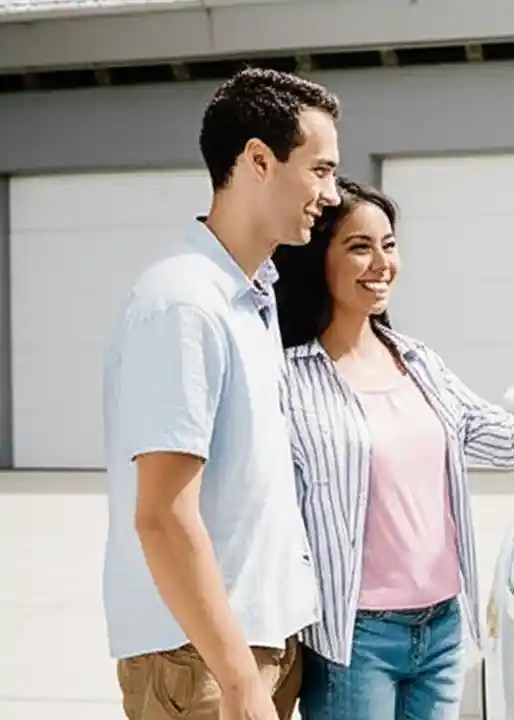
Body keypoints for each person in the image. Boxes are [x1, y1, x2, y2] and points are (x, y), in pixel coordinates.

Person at [271, 177, 514, 720]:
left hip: (441, 629)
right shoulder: (287, 377)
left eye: (389, 244)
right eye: (360, 247)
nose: (381, 262)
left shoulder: (418, 363)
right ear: (319, 260)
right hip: (354, 637)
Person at [101, 67, 342, 719]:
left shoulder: (249, 297)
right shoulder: (183, 303)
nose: (332, 192)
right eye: (319, 170)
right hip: (202, 658)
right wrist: (238, 680)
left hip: (258, 644)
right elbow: (163, 514)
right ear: (259, 160)